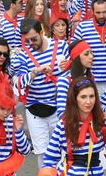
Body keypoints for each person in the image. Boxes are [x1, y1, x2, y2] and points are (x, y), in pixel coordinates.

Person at [11, 19, 69, 166]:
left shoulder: (61, 46)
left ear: (42, 33)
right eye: (27, 40)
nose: (31, 43)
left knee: (62, 149)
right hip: (35, 109)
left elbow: (73, 75)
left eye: (34, 39)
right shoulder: (23, 54)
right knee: (42, 153)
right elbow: (18, 83)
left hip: (59, 108)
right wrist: (34, 73)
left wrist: (69, 65)